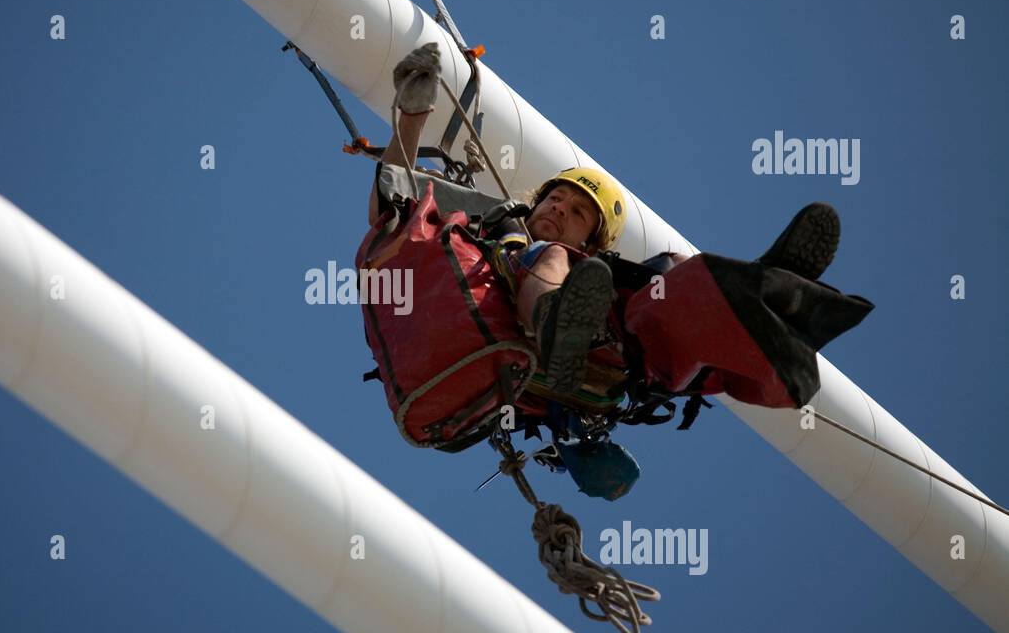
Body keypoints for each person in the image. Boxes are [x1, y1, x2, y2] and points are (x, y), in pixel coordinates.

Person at [369, 43, 874, 413]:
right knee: (556, 259)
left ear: (593, 239)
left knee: (683, 278)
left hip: (616, 355)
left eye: (577, 213)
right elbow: (393, 204)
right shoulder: (504, 225)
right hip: (531, 336)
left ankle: (774, 294)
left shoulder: (597, 276)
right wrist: (413, 116)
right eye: (557, 198)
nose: (561, 209)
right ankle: (553, 320)